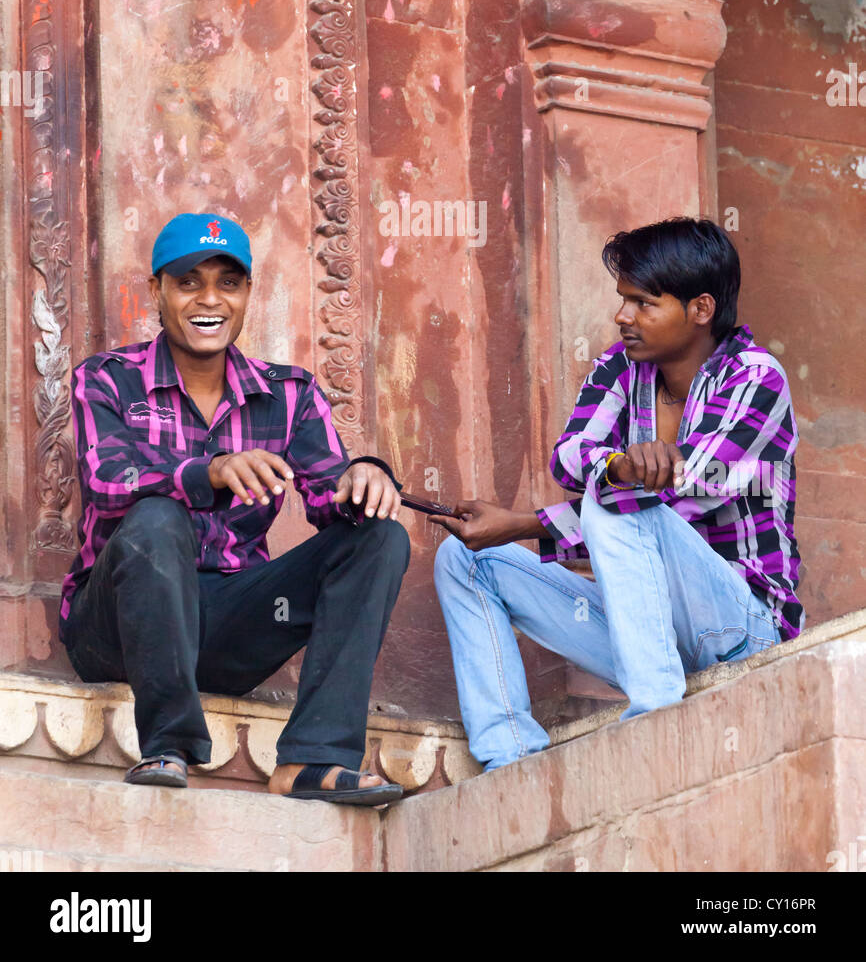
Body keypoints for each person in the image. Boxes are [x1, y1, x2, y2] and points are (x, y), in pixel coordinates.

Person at [61, 212, 410, 806]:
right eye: (188, 281)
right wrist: (208, 472)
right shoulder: (108, 379)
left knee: (380, 537)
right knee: (155, 515)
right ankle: (168, 742)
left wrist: (369, 477)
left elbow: (333, 503)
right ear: (158, 292)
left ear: (248, 293)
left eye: (228, 282)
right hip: (117, 626)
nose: (209, 299)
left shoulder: (290, 393)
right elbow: (105, 480)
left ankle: (314, 758)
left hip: (226, 630)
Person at [432, 217, 803, 772]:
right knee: (464, 558)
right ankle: (507, 759)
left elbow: (688, 492)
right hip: (646, 635)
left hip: (741, 629)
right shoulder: (622, 366)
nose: (622, 316)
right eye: (622, 299)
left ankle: (653, 717)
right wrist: (618, 463)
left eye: (643, 303)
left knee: (618, 498)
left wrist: (525, 523)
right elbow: (569, 456)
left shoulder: (755, 378)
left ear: (700, 310)